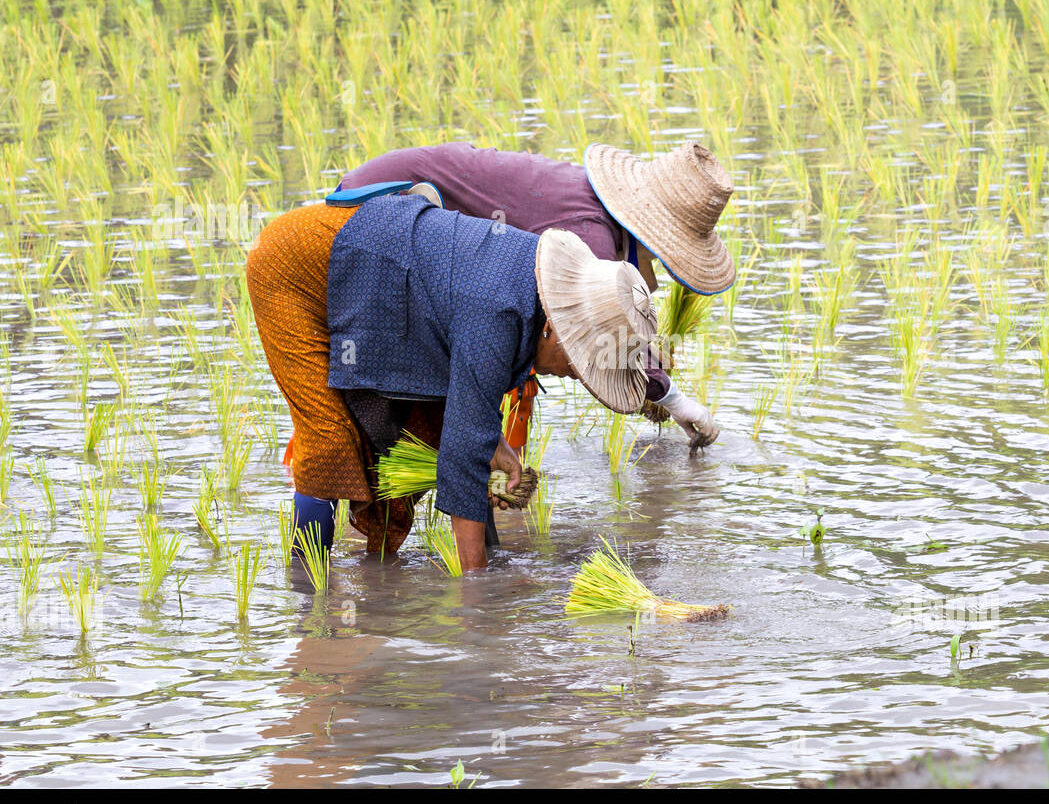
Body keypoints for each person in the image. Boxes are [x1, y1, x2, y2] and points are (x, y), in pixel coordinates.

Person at [246, 190, 657, 568]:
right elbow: (462, 459)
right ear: (553, 327)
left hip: (373, 274)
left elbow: (468, 411)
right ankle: (306, 583)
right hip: (292, 270)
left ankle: (365, 582)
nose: (571, 373)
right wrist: (476, 593)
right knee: (330, 439)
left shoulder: (525, 289)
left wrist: (494, 444)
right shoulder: (498, 312)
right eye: (576, 362)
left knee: (424, 432)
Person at [338, 140, 734, 451]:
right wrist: (673, 398)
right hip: (379, 207)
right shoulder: (589, 233)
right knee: (377, 387)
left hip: (385, 195)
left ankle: (499, 489)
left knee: (513, 354)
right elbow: (590, 334)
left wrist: (645, 357)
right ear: (651, 233)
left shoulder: (587, 196)